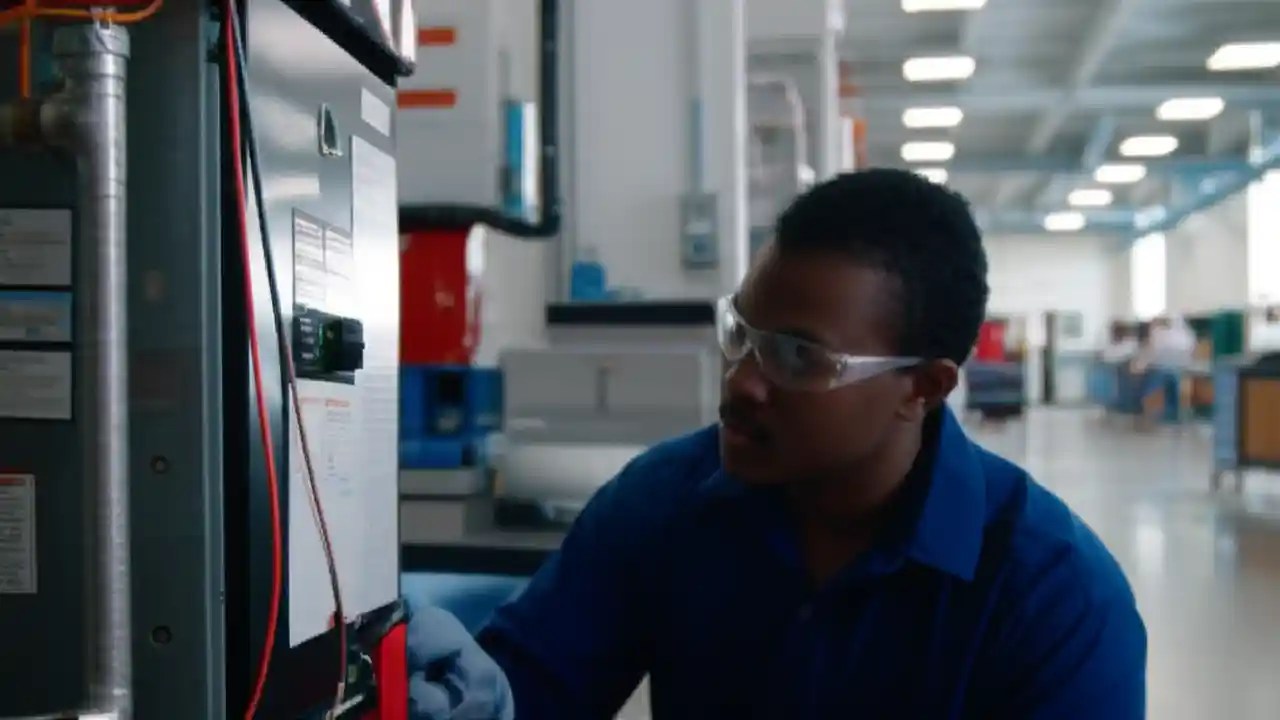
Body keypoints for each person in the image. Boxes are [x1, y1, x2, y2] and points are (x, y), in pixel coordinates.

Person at [469, 169, 1146, 718]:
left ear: (924, 388)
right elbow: (528, 693)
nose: (742, 383)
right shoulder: (665, 505)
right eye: (742, 335)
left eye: (797, 358)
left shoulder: (1054, 598)